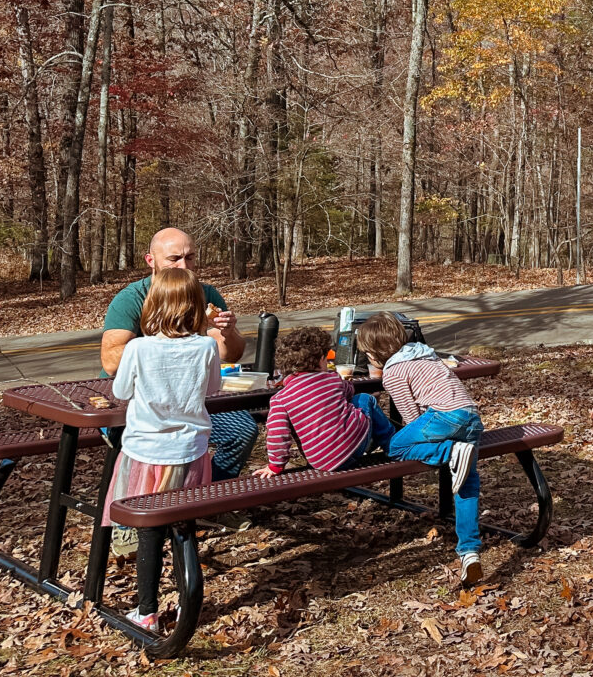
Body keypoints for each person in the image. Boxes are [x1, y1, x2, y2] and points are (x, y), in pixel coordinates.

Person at [101, 268, 221, 632]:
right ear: (198, 308)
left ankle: (146, 611)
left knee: (149, 531)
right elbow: (213, 389)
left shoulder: (137, 348)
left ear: (152, 305)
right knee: (183, 525)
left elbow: (121, 392)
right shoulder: (206, 346)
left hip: (145, 452)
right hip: (190, 451)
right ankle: (188, 605)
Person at [101, 228, 257, 483]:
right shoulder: (131, 299)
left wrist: (227, 333)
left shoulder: (206, 294)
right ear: (151, 261)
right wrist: (165, 351)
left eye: (190, 257)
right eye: (174, 259)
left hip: (188, 402)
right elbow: (110, 363)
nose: (185, 266)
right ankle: (139, 510)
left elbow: (231, 354)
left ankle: (205, 498)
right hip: (138, 405)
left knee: (242, 430)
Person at [357, 312, 486, 586]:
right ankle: (470, 552)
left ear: (374, 353)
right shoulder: (426, 355)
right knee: (466, 484)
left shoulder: (393, 372)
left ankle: (450, 453)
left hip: (443, 418)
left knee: (395, 446)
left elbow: (412, 418)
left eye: (366, 353)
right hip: (471, 419)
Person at [254, 327, 395, 476]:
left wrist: (276, 465)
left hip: (322, 461)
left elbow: (277, 434)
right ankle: (392, 445)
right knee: (365, 399)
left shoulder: (280, 399)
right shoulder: (331, 379)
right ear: (321, 359)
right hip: (356, 445)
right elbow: (350, 391)